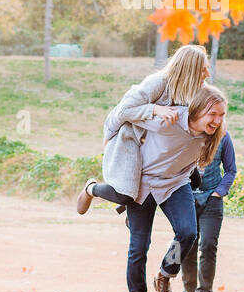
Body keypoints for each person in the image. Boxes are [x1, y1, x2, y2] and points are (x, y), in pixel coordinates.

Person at [85, 85, 228, 292]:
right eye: (213, 114)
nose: (218, 121)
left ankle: (164, 276)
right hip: (143, 185)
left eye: (222, 115)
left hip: (175, 183)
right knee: (139, 246)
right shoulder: (167, 122)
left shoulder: (215, 134)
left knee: (188, 232)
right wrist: (110, 136)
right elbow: (125, 114)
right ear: (198, 110)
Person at [75, 44, 210, 215]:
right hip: (133, 140)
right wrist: (154, 109)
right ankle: (91, 189)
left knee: (195, 181)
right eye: (203, 70)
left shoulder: (194, 90)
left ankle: (135, 207)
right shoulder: (158, 83)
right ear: (190, 69)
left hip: (160, 147)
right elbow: (122, 111)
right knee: (125, 195)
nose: (208, 74)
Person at [179, 129, 237, 292]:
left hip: (211, 198)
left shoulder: (224, 137)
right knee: (187, 244)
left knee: (208, 244)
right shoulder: (185, 133)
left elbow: (230, 170)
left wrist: (219, 192)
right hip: (186, 198)